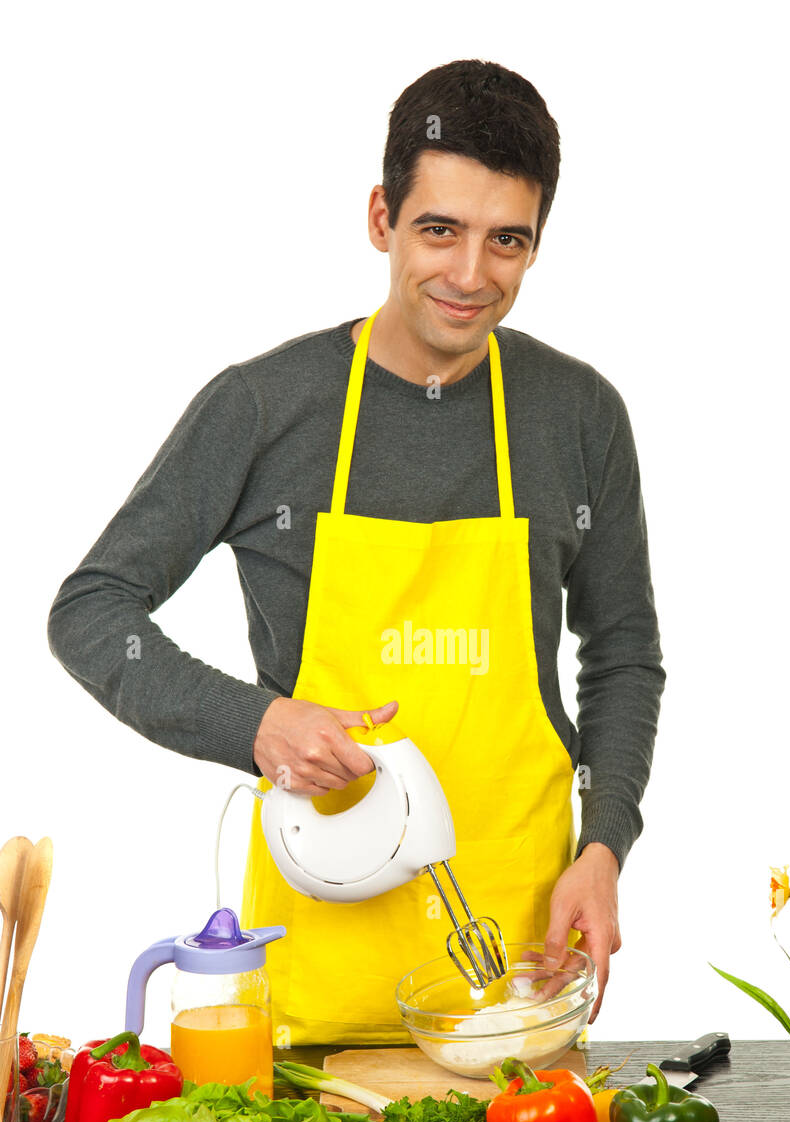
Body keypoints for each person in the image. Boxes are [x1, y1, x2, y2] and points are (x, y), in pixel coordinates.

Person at [47, 58, 665, 1046]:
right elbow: (91, 609)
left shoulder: (575, 415)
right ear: (381, 216)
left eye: (507, 240)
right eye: (439, 230)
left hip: (511, 986)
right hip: (311, 986)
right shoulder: (264, 407)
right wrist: (258, 723)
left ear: (537, 242)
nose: (471, 275)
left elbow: (624, 651)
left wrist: (605, 845)